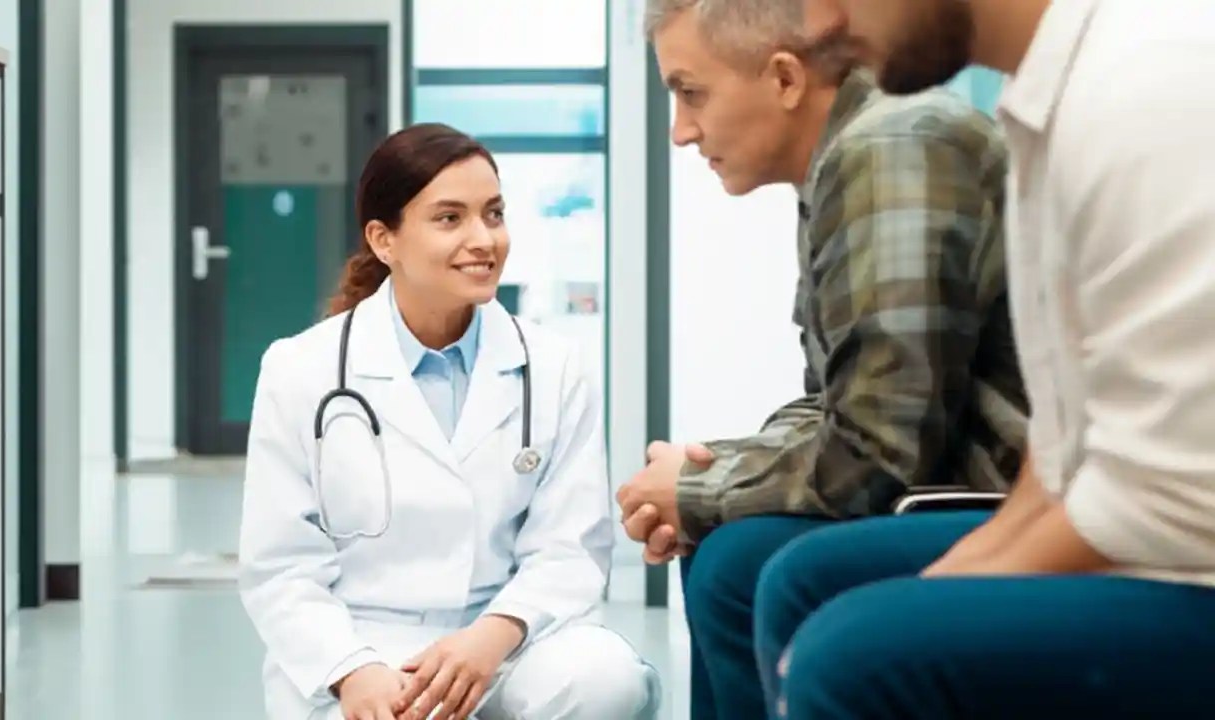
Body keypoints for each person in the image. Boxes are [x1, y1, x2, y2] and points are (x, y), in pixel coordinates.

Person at [752, 0, 1215, 718]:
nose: (817, 26)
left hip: (1186, 546)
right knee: (805, 585)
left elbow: (1169, 501)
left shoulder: (1147, 87)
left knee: (852, 658)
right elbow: (1059, 453)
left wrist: (926, 599)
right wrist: (951, 578)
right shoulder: (1046, 100)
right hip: (1154, 522)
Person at [614, 0, 1028, 716]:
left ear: (784, 78)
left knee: (737, 563)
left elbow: (880, 453)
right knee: (721, 543)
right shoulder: (853, 157)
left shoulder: (891, 150)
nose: (681, 131)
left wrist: (698, 489)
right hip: (966, 488)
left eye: (691, 92)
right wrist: (711, 469)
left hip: (1015, 507)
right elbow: (839, 406)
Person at [237, 123, 660, 720]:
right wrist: (353, 671)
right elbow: (281, 565)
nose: (483, 239)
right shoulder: (300, 369)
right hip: (364, 647)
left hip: (507, 644)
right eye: (449, 218)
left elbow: (571, 549)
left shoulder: (554, 368)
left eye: (494, 214)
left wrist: (492, 636)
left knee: (606, 680)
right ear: (384, 240)